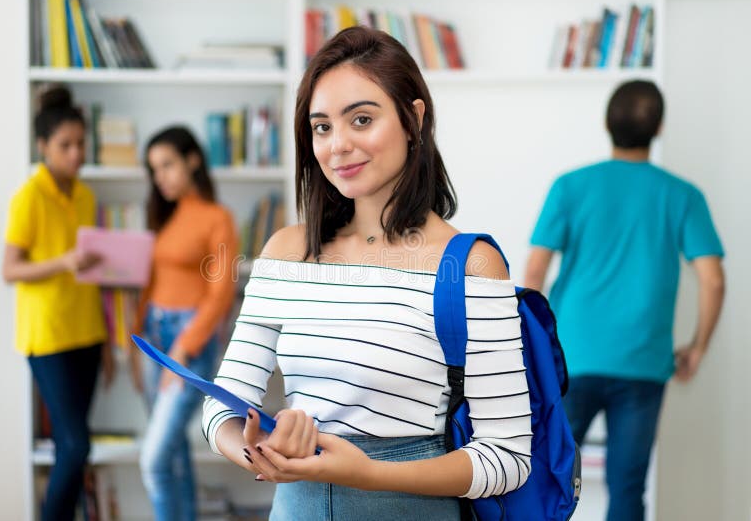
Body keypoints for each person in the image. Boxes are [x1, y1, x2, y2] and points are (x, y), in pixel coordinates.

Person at [201, 26, 532, 520]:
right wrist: (259, 454)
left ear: (412, 118)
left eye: (361, 119)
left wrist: (366, 473)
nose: (338, 145)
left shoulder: (471, 265)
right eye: (322, 127)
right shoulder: (286, 253)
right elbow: (221, 408)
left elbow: (507, 458)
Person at [525, 80, 725, 521]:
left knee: (546, 477)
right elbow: (712, 280)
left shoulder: (570, 186)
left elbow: (535, 272)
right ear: (659, 127)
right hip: (643, 362)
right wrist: (697, 348)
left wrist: (535, 344)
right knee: (628, 487)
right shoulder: (682, 195)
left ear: (606, 124)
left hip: (570, 359)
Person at [2, 85, 114, 521]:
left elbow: (90, 275)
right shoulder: (28, 198)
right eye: (65, 145)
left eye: (81, 144)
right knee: (75, 444)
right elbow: (9, 269)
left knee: (75, 445)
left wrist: (105, 341)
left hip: (86, 332)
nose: (76, 154)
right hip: (47, 336)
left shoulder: (86, 196)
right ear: (43, 145)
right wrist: (63, 262)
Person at [130, 126, 238, 521]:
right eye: (155, 170)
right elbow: (151, 284)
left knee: (154, 460)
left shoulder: (217, 218)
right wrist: (134, 345)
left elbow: (221, 294)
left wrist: (183, 347)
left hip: (187, 344)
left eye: (168, 165)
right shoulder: (166, 218)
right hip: (153, 338)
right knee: (173, 455)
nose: (161, 177)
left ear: (192, 160)